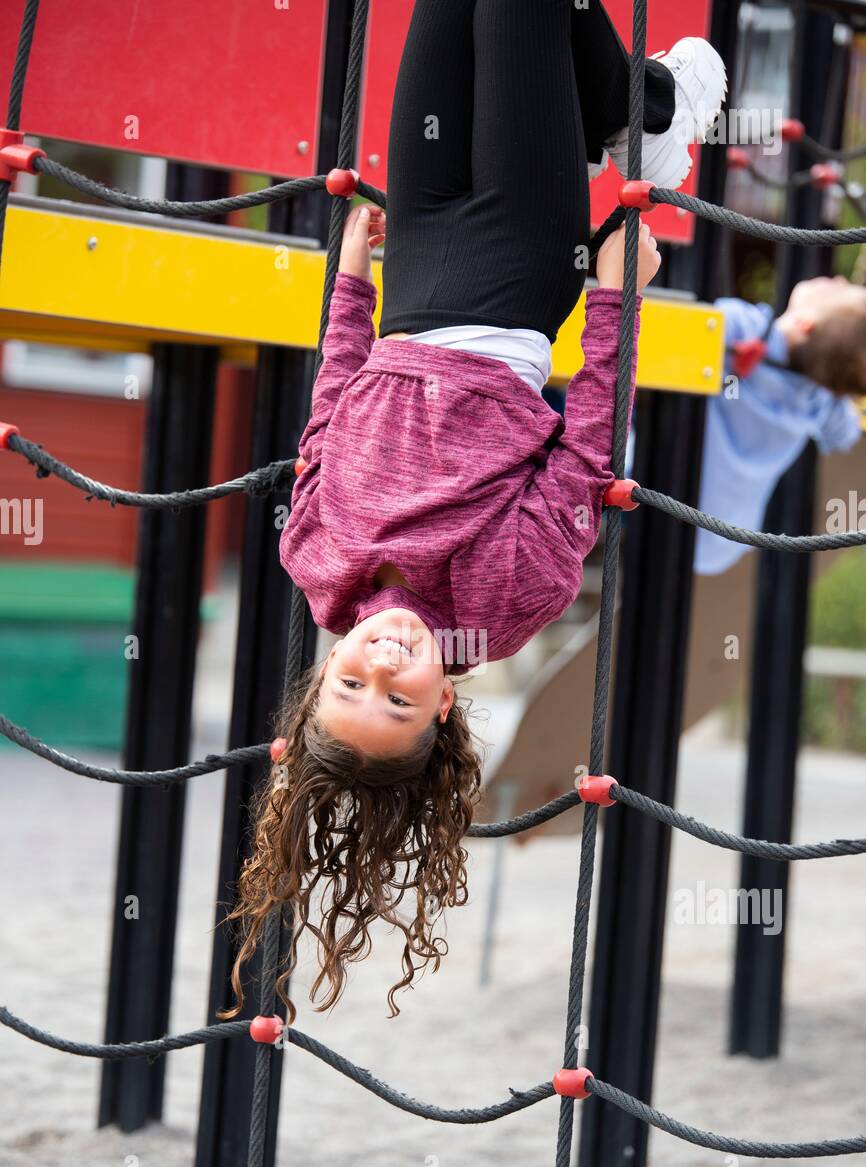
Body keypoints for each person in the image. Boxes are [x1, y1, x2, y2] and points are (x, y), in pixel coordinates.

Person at [223, 2, 727, 1023]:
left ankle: (645, 109)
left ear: (322, 671)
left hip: (412, 270)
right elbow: (585, 452)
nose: (385, 663)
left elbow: (329, 416)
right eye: (398, 697)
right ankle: (642, 110)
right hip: (512, 274)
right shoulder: (501, 601)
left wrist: (350, 291)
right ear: (442, 706)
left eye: (352, 681)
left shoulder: (313, 561)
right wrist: (618, 304)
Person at [693, 275, 866, 575]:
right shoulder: (820, 401)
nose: (838, 278)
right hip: (719, 543)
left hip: (655, 486)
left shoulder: (742, 327)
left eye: (841, 289)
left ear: (805, 322)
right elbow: (845, 434)